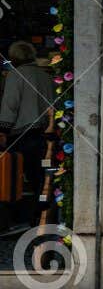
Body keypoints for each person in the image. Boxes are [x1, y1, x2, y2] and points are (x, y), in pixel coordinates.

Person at [0, 40, 51, 229]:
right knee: (40, 179)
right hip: (44, 134)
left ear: (14, 58)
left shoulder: (16, 76)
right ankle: (39, 217)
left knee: (14, 178)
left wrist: (3, 130)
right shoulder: (45, 76)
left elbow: (10, 106)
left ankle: (14, 219)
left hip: (21, 134)